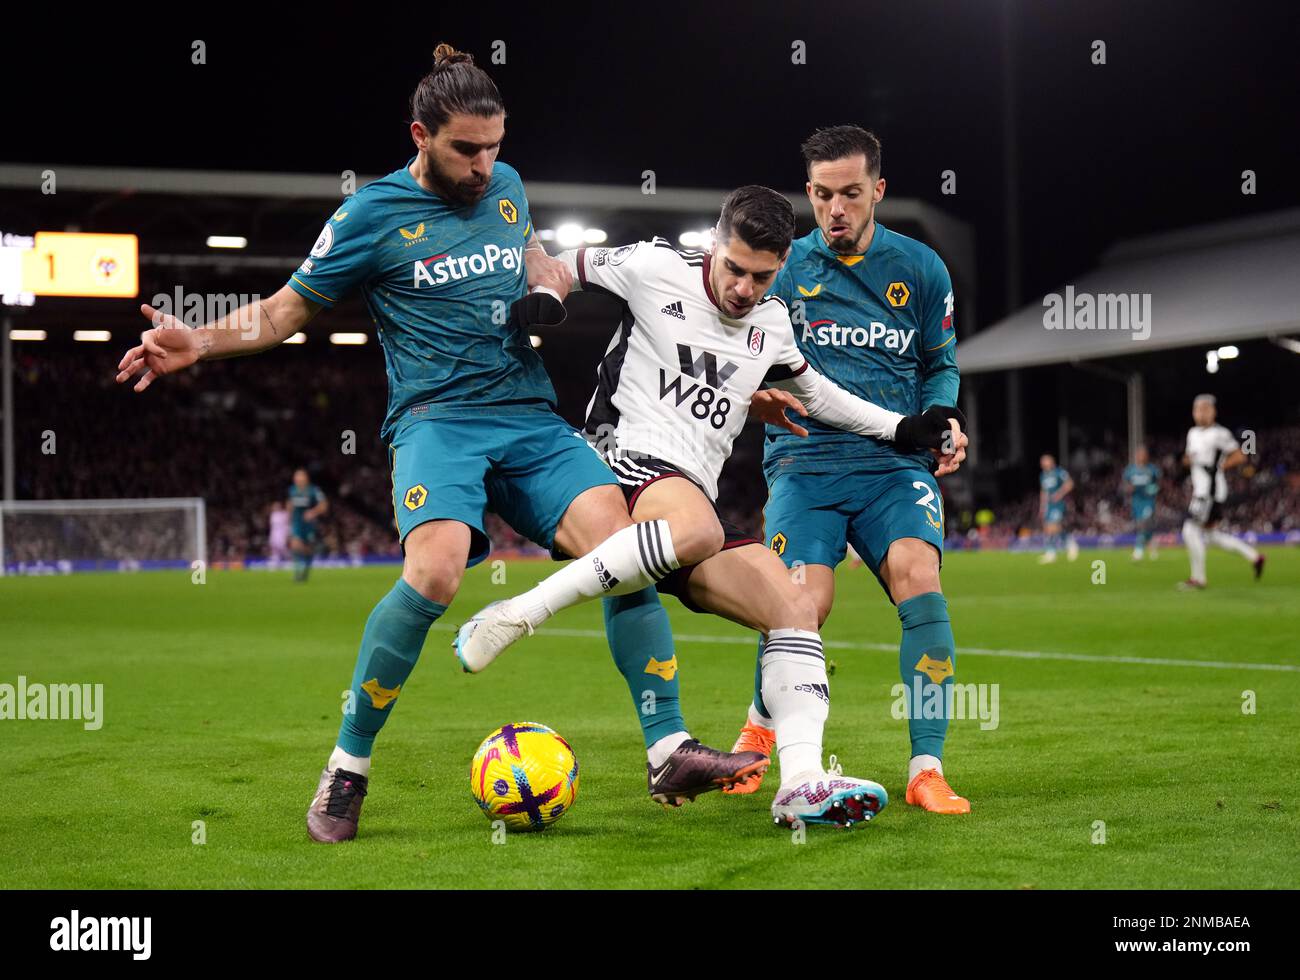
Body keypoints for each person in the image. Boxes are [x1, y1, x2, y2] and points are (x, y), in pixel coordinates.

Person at [114, 44, 758, 843]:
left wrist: (544, 283)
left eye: (495, 145)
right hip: (437, 422)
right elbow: (283, 312)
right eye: (466, 149)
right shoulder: (367, 217)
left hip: (527, 415)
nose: (486, 165)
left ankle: (668, 747)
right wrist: (200, 343)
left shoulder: (509, 186)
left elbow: (527, 253)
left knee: (622, 547)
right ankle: (347, 770)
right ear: (420, 135)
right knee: (437, 569)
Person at [455, 185, 965, 825]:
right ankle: (514, 615)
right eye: (734, 269)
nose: (744, 289)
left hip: (691, 498)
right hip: (622, 459)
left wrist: (900, 428)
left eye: (761, 276)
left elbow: (820, 394)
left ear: (779, 267)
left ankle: (801, 783)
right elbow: (559, 262)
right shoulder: (653, 267)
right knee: (694, 526)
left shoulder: (772, 323)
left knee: (795, 608)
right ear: (715, 244)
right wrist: (534, 273)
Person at [729, 126, 973, 813]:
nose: (836, 208)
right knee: (803, 603)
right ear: (809, 193)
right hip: (804, 463)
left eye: (852, 194)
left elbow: (940, 362)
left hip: (895, 464)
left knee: (918, 576)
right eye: (824, 195)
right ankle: (759, 727)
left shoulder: (921, 268)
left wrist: (944, 417)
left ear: (878, 192)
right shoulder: (781, 268)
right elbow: (734, 350)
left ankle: (926, 769)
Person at [1179, 394, 1265, 589]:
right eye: (1197, 409)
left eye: (1205, 409)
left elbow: (1241, 455)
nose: (1201, 412)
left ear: (1213, 412)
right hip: (1200, 490)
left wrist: (1221, 466)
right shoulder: (1192, 433)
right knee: (1212, 536)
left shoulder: (1220, 433)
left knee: (1189, 530)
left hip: (1209, 492)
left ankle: (1198, 579)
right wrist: (1186, 461)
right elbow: (1189, 457)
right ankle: (1255, 557)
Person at [286, 468, 328, 581]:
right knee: (295, 545)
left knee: (308, 549)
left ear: (306, 478)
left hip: (309, 525)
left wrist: (312, 512)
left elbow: (324, 505)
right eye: (296, 476)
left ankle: (306, 570)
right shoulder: (292, 490)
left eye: (300, 476)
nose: (298, 479)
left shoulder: (314, 490)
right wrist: (289, 513)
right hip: (297, 523)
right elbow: (289, 504)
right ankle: (297, 572)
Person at [1121, 446, 1160, 560]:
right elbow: (1125, 486)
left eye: (1144, 454)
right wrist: (1129, 488)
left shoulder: (1152, 469)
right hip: (1136, 502)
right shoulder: (1130, 470)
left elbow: (1158, 485)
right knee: (1142, 526)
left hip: (1148, 501)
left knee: (1144, 523)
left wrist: (1152, 489)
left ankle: (1138, 551)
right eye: (1139, 454)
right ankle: (1152, 543)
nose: (1142, 456)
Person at [1038, 454, 1077, 564]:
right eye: (1042, 461)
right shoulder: (1043, 475)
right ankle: (1052, 552)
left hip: (1059, 504)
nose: (1043, 463)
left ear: (1051, 461)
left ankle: (1066, 546)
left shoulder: (1059, 472)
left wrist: (1059, 494)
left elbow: (1070, 483)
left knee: (1053, 527)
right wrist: (1042, 507)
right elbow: (1043, 491)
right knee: (1047, 528)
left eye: (1045, 461)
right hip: (1049, 505)